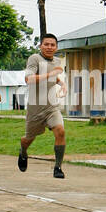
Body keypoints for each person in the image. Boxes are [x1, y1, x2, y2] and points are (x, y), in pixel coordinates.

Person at [18, 34, 67, 178]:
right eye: (46, 44)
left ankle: (58, 167)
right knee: (28, 139)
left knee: (60, 131)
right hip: (35, 108)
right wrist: (50, 73)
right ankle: (23, 152)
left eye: (52, 45)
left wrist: (62, 84)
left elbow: (54, 77)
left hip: (52, 107)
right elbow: (29, 79)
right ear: (40, 46)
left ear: (56, 47)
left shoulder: (57, 60)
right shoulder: (34, 59)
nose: (49, 47)